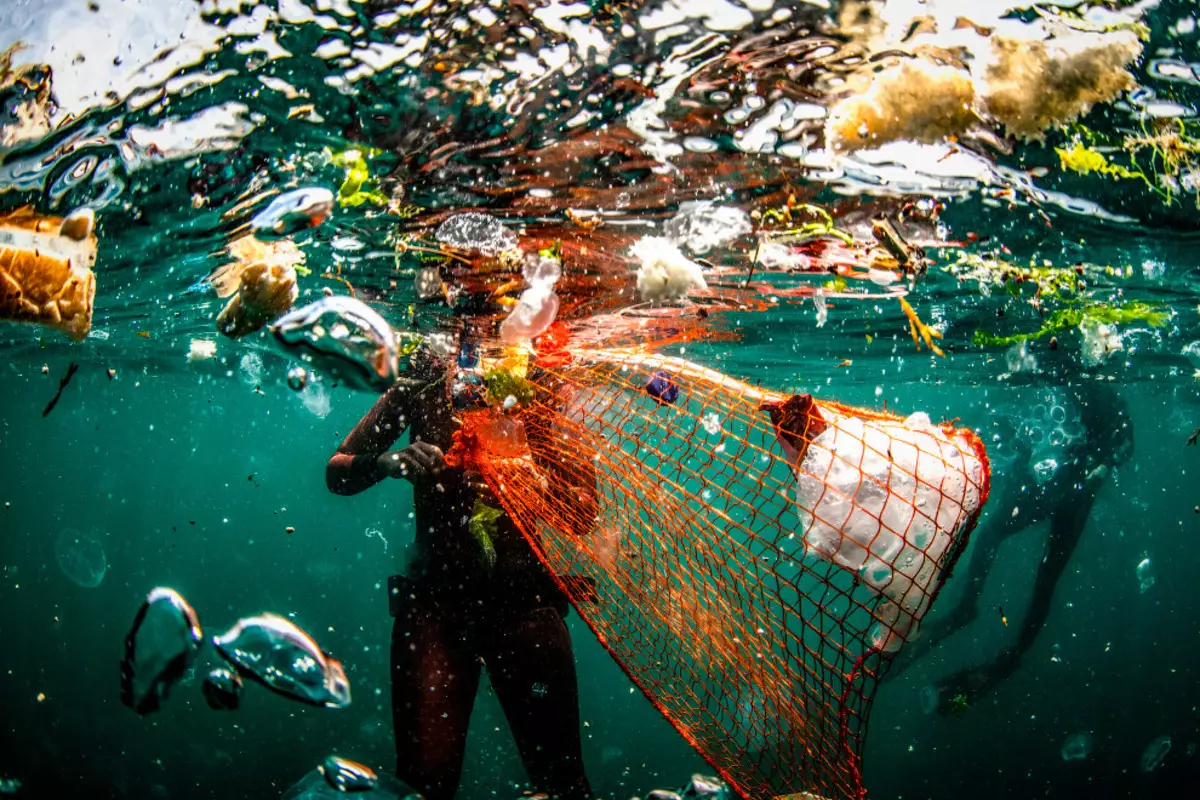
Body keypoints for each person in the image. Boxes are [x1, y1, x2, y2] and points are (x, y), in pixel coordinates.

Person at [325, 308, 592, 800]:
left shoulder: (543, 385)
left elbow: (582, 512)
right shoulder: (424, 376)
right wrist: (387, 462)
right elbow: (337, 472)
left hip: (525, 606)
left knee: (562, 783)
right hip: (434, 608)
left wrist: (534, 480)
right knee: (425, 785)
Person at [885, 375, 1133, 713]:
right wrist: (1101, 464)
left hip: (1062, 483)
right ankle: (995, 639)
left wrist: (1098, 465)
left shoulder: (1083, 387)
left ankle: (977, 622)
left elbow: (1119, 441)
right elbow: (1121, 440)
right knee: (1041, 573)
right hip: (1065, 481)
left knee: (1018, 555)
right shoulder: (1094, 389)